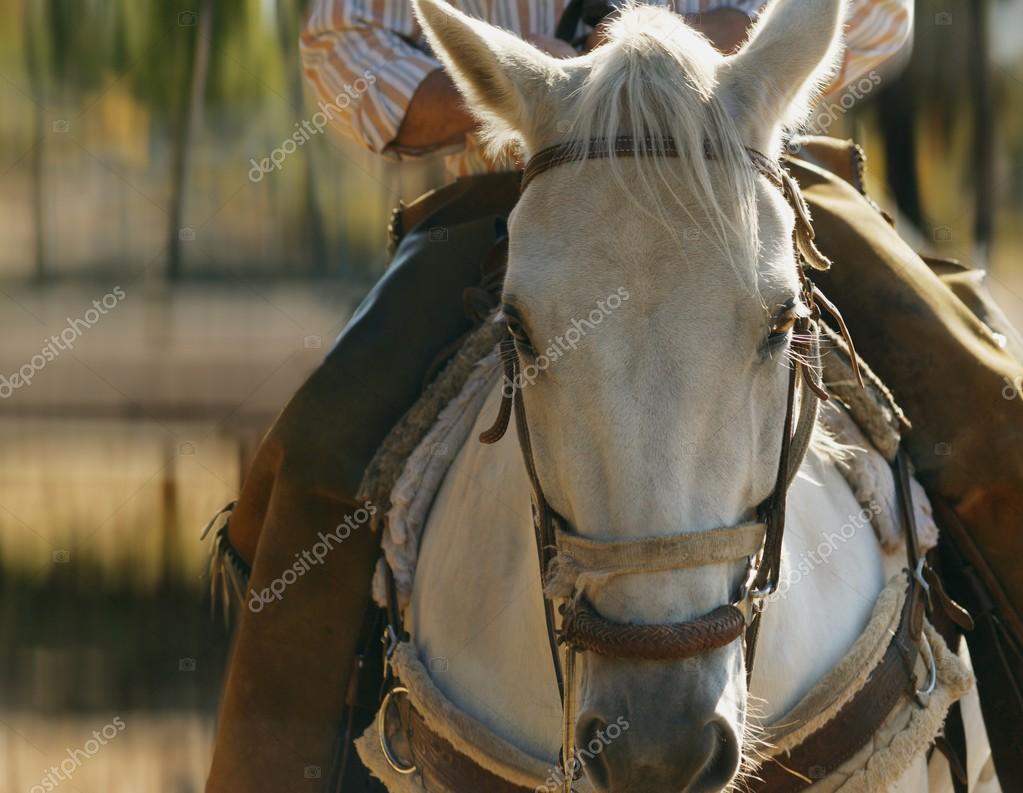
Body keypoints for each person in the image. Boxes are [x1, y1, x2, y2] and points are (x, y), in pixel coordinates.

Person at [212, 3, 1023, 793]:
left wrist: (694, 62)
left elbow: (878, 13)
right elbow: (342, 40)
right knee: (315, 463)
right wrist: (546, 92)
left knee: (997, 420)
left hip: (745, 172)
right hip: (515, 186)